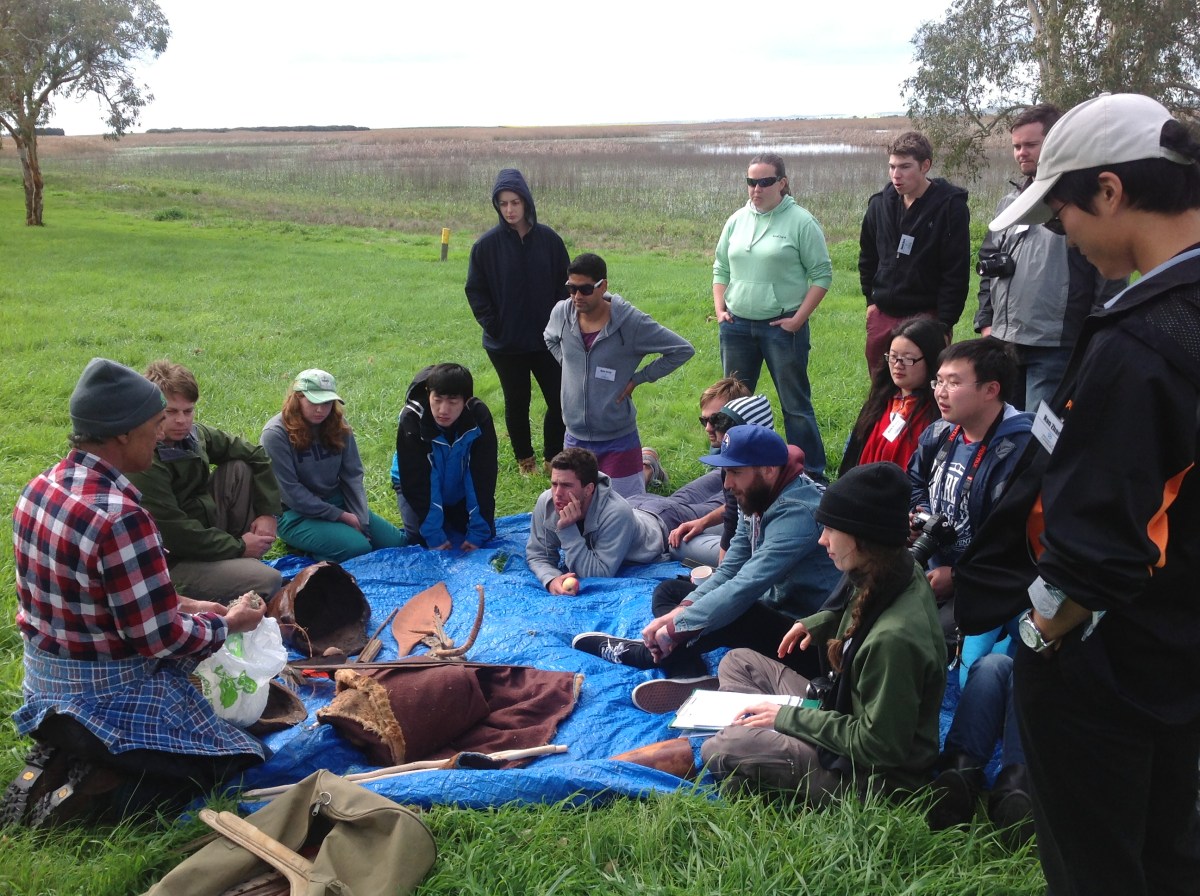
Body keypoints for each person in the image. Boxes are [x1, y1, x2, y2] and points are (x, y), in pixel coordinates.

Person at [956, 92, 1200, 895]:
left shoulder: (1140, 344)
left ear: (1109, 190)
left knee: (1096, 861)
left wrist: (1038, 634)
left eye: (1063, 210)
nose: (1062, 233)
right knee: (1167, 845)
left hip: (1106, 661)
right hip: (1177, 643)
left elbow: (1097, 540)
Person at [5, 358, 268, 828]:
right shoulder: (121, 517)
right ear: (123, 434)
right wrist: (226, 624)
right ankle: (109, 786)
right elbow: (160, 639)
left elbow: (86, 593)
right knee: (236, 755)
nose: (162, 433)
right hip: (103, 694)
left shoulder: (40, 488)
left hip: (44, 686)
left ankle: (73, 753)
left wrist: (184, 603)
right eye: (154, 425)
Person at [693, 462, 946, 803]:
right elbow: (851, 605)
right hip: (838, 710)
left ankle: (753, 752)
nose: (821, 539)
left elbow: (880, 747)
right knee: (738, 663)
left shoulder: (894, 639)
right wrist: (814, 623)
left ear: (863, 536)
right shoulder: (892, 567)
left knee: (721, 748)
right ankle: (758, 746)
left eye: (830, 529)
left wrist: (786, 719)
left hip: (869, 777)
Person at [573, 426, 840, 694]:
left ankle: (643, 655)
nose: (726, 484)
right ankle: (687, 672)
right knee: (670, 592)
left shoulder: (798, 513)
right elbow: (729, 571)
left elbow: (745, 585)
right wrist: (683, 611)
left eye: (736, 472)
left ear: (769, 469)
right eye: (726, 472)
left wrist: (678, 627)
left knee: (737, 611)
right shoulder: (761, 494)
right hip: (777, 609)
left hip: (811, 642)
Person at [974, 104, 1126, 411]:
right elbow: (989, 262)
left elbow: (1111, 275)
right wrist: (986, 321)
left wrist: (1094, 333)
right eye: (1016, 146)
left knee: (1038, 438)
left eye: (1030, 145)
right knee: (1003, 430)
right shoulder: (1010, 203)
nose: (1021, 153)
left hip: (1056, 346)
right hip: (1003, 342)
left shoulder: (1082, 202)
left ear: (1055, 142)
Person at [907, 338, 1032, 653]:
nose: (940, 392)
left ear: (991, 390)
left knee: (916, 641)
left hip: (985, 584)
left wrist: (960, 577)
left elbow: (1012, 541)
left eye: (954, 382)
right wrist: (922, 517)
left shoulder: (1022, 452)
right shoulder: (941, 432)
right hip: (931, 565)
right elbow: (914, 480)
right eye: (939, 380)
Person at [713, 152, 833, 480]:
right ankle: (731, 470)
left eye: (765, 181)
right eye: (751, 182)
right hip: (736, 326)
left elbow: (822, 275)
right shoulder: (736, 220)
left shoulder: (801, 221)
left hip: (781, 327)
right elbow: (721, 267)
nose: (756, 188)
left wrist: (797, 320)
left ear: (782, 182)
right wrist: (720, 309)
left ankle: (810, 475)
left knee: (795, 406)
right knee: (732, 405)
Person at [127, 360, 283, 603]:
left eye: (188, 411)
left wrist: (268, 513)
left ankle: (237, 565)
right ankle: (223, 576)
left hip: (204, 528)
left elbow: (256, 454)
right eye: (171, 412)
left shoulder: (194, 436)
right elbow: (176, 532)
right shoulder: (145, 458)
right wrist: (239, 546)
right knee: (269, 580)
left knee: (239, 468)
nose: (181, 420)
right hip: (172, 559)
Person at [545, 252, 694, 498]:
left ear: (603, 286)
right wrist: (572, 366)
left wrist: (639, 378)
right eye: (571, 289)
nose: (576, 297)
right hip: (575, 434)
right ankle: (647, 463)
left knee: (627, 506)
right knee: (576, 504)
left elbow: (681, 350)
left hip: (618, 436)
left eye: (584, 289)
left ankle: (648, 468)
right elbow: (549, 338)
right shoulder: (562, 313)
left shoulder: (631, 322)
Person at [465, 168, 569, 476]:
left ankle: (554, 457)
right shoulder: (486, 246)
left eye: (515, 202)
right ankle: (526, 462)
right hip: (505, 344)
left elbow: (565, 286)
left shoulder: (549, 240)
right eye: (503, 204)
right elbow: (476, 290)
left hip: (547, 341)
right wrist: (495, 325)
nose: (509, 210)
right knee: (517, 401)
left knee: (560, 400)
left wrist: (558, 324)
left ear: (526, 202)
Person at [525, 448, 722, 595]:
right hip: (637, 505)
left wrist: (567, 530)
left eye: (566, 485)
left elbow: (598, 574)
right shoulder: (549, 502)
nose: (557, 494)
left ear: (589, 489)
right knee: (685, 495)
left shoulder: (615, 513)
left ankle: (740, 468)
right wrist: (551, 579)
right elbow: (537, 554)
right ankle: (650, 465)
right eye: (554, 484)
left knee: (720, 502)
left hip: (664, 522)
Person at [261, 369, 406, 563]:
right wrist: (341, 517)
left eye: (327, 403)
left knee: (396, 543)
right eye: (313, 402)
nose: (320, 410)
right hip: (294, 514)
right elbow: (290, 492)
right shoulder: (275, 434)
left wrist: (360, 517)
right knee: (359, 548)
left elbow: (352, 475)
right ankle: (308, 550)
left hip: (337, 501)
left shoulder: (338, 424)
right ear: (297, 398)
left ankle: (336, 538)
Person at [858, 131, 970, 380]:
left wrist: (944, 323)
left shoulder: (950, 207)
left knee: (926, 387)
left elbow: (956, 270)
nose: (896, 175)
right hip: (883, 313)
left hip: (926, 315)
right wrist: (871, 303)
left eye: (905, 167)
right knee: (881, 386)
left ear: (925, 165)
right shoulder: (879, 205)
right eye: (892, 167)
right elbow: (868, 257)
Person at [643, 376, 750, 566]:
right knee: (677, 504)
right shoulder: (730, 459)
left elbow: (737, 514)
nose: (708, 428)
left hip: (752, 538)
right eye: (704, 420)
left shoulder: (755, 464)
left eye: (715, 420)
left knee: (677, 540)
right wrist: (702, 522)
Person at [390, 363, 497, 551]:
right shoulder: (412, 418)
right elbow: (417, 479)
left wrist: (477, 533)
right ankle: (439, 516)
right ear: (428, 394)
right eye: (437, 399)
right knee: (419, 538)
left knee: (485, 534)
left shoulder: (478, 416)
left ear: (466, 400)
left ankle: (447, 513)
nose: (443, 410)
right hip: (413, 482)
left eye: (453, 402)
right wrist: (434, 535)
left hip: (459, 483)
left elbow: (482, 474)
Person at [840, 317, 944, 475]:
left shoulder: (940, 413)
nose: (897, 366)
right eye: (893, 357)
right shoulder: (879, 402)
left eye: (908, 359)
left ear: (930, 360)